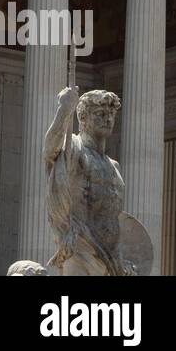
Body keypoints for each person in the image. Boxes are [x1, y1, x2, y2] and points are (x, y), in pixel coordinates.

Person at [44, 87, 135, 276]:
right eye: (100, 114)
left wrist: (119, 257)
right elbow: (50, 151)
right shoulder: (75, 150)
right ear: (83, 118)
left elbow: (113, 216)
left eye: (111, 114)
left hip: (109, 258)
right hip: (80, 248)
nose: (107, 119)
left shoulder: (114, 166)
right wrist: (64, 110)